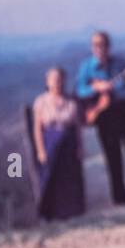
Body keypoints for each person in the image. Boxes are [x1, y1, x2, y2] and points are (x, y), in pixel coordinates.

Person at [76, 31, 125, 206]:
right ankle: (120, 200)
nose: (100, 48)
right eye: (96, 45)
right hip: (105, 116)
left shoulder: (121, 63)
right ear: (92, 47)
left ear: (109, 46)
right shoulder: (86, 67)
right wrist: (97, 88)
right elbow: (80, 91)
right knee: (112, 158)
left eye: (103, 44)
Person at [32, 67, 86, 221]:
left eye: (60, 79)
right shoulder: (41, 102)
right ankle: (47, 214)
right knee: (49, 177)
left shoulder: (71, 101)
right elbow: (37, 128)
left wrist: (80, 147)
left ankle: (69, 213)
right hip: (50, 141)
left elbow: (77, 127)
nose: (57, 82)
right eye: (53, 79)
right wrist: (40, 150)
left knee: (68, 178)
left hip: (69, 142)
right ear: (47, 82)